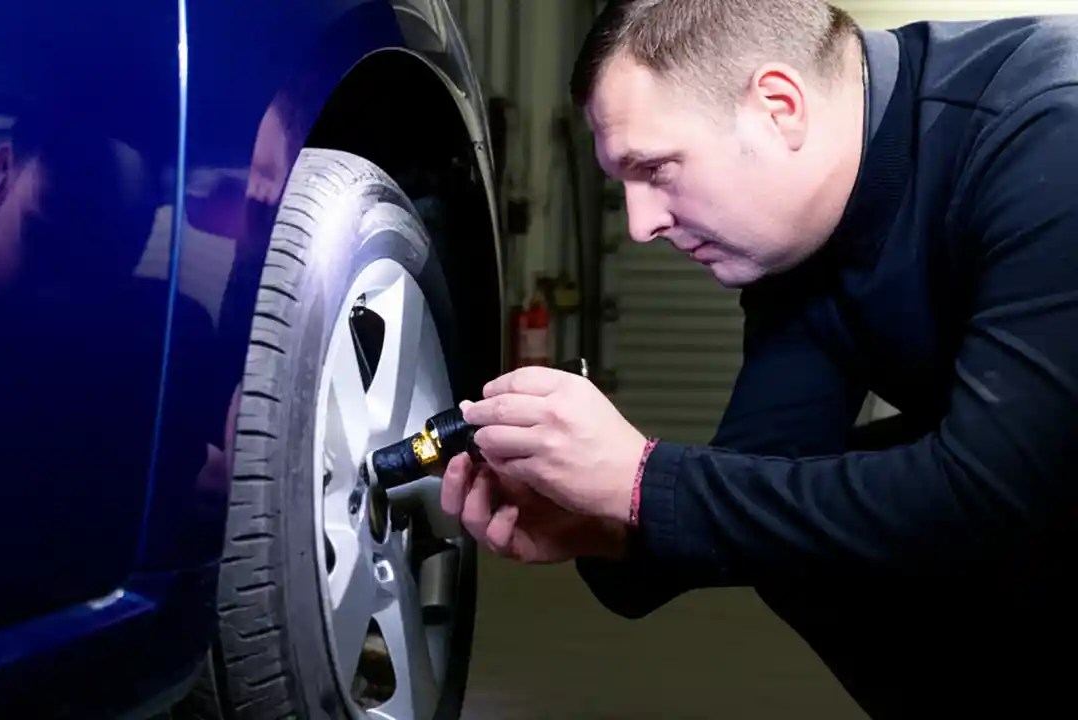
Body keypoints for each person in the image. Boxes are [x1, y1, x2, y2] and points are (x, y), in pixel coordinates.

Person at [440, 0, 1078, 716]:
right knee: (797, 527)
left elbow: (997, 501)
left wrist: (640, 479)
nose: (643, 223)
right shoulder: (801, 244)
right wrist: (607, 518)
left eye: (655, 168)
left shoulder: (1051, 128)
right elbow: (759, 480)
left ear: (778, 106)